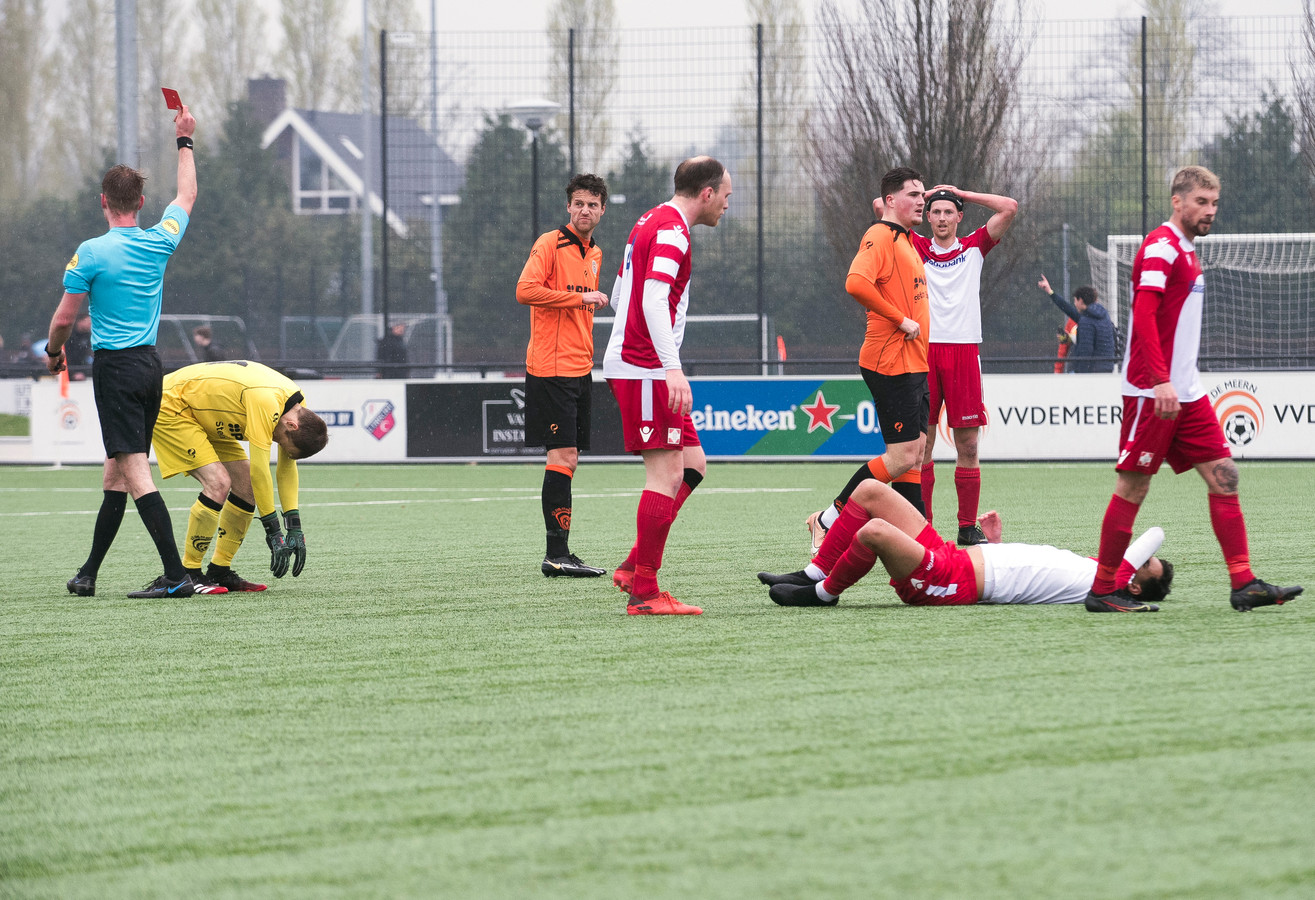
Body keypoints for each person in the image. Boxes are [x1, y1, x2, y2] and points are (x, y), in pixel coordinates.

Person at [1085, 165, 1302, 613]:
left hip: (1188, 392)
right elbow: (1142, 316)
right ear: (1177, 201)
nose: (1210, 211)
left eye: (1214, 202)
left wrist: (1178, 383)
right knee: (1133, 488)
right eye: (1201, 202)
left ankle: (1244, 584)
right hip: (1152, 391)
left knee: (1225, 476)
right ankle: (1103, 590)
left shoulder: (1186, 251)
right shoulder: (1161, 247)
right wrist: (1161, 379)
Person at [46, 103, 208, 599]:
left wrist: (54, 353)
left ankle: (177, 576)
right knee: (115, 472)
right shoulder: (159, 240)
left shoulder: (91, 252)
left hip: (115, 369)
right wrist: (184, 140)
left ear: (103, 202)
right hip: (150, 367)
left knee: (135, 471)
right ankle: (88, 573)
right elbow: (187, 193)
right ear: (139, 202)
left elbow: (63, 320)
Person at [602, 156, 732, 616]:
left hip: (641, 364)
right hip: (647, 369)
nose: (726, 205)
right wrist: (670, 367)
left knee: (692, 465)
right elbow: (653, 296)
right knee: (666, 476)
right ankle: (645, 592)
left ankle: (633, 566)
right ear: (706, 193)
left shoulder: (647, 221)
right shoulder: (674, 232)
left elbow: (620, 295)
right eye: (726, 196)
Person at [759, 478, 1174, 609]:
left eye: (1143, 564)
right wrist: (994, 545)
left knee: (874, 532)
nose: (1135, 557)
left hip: (948, 581)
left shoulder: (1110, 585)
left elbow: (1154, 531)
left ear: (1133, 584)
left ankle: (823, 594)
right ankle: (815, 571)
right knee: (869, 491)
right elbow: (1026, 573)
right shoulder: (1096, 570)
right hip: (954, 558)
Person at [805, 167, 930, 553]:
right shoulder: (880, 234)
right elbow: (855, 282)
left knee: (916, 455)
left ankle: (919, 540)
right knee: (902, 455)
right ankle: (826, 519)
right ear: (892, 201)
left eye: (923, 194)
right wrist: (900, 318)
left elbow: (887, 208)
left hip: (914, 361)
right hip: (890, 361)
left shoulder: (903, 237)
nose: (921, 200)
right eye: (913, 194)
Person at [151, 360, 329, 591]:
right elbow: (260, 469)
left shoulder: (297, 408)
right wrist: (273, 530)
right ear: (292, 426)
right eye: (281, 442)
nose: (278, 444)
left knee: (245, 486)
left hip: (206, 414)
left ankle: (219, 570)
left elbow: (285, 469)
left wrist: (294, 526)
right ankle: (190, 572)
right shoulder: (267, 402)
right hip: (171, 405)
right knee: (218, 483)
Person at [912, 185, 1018, 546]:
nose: (942, 218)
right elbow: (882, 205)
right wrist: (918, 195)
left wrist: (960, 193)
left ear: (959, 217)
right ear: (927, 217)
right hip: (924, 353)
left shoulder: (975, 246)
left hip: (963, 354)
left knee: (968, 447)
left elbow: (1009, 207)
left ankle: (966, 529)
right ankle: (923, 528)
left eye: (948, 211)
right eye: (935, 211)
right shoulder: (916, 246)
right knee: (920, 447)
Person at [516, 173, 611, 579]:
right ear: (568, 207)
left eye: (592, 204)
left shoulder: (596, 253)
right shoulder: (549, 243)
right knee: (563, 456)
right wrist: (580, 297)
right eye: (578, 203)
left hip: (580, 368)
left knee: (570, 459)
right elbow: (525, 290)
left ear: (602, 210)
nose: (585, 210)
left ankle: (561, 553)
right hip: (551, 368)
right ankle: (556, 554)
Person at [1037, 276, 1116, 373]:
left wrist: (1080, 374)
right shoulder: (1102, 316)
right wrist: (1050, 291)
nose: (1074, 304)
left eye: (1075, 300)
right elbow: (1068, 309)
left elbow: (1085, 351)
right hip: (1106, 368)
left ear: (1081, 300)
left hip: (1092, 372)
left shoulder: (1086, 321)